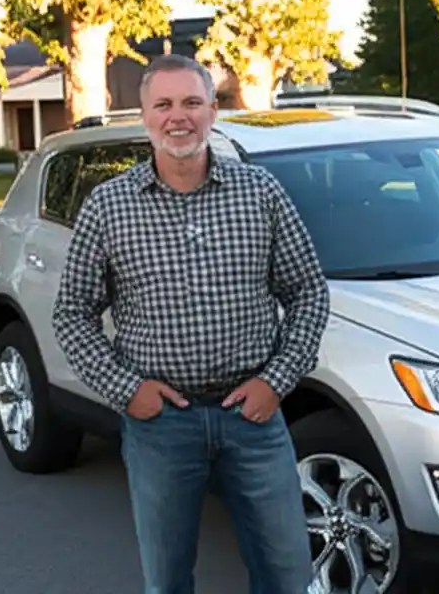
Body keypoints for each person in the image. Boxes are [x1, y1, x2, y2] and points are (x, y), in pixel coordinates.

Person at [52, 54, 330, 594]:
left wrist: (275, 382)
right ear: (145, 116)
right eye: (164, 104)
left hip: (254, 418)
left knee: (286, 572)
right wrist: (127, 391)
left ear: (213, 112)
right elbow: (72, 315)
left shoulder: (261, 193)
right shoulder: (109, 206)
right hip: (161, 425)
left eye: (191, 103)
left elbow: (308, 292)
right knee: (169, 580)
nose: (178, 117)